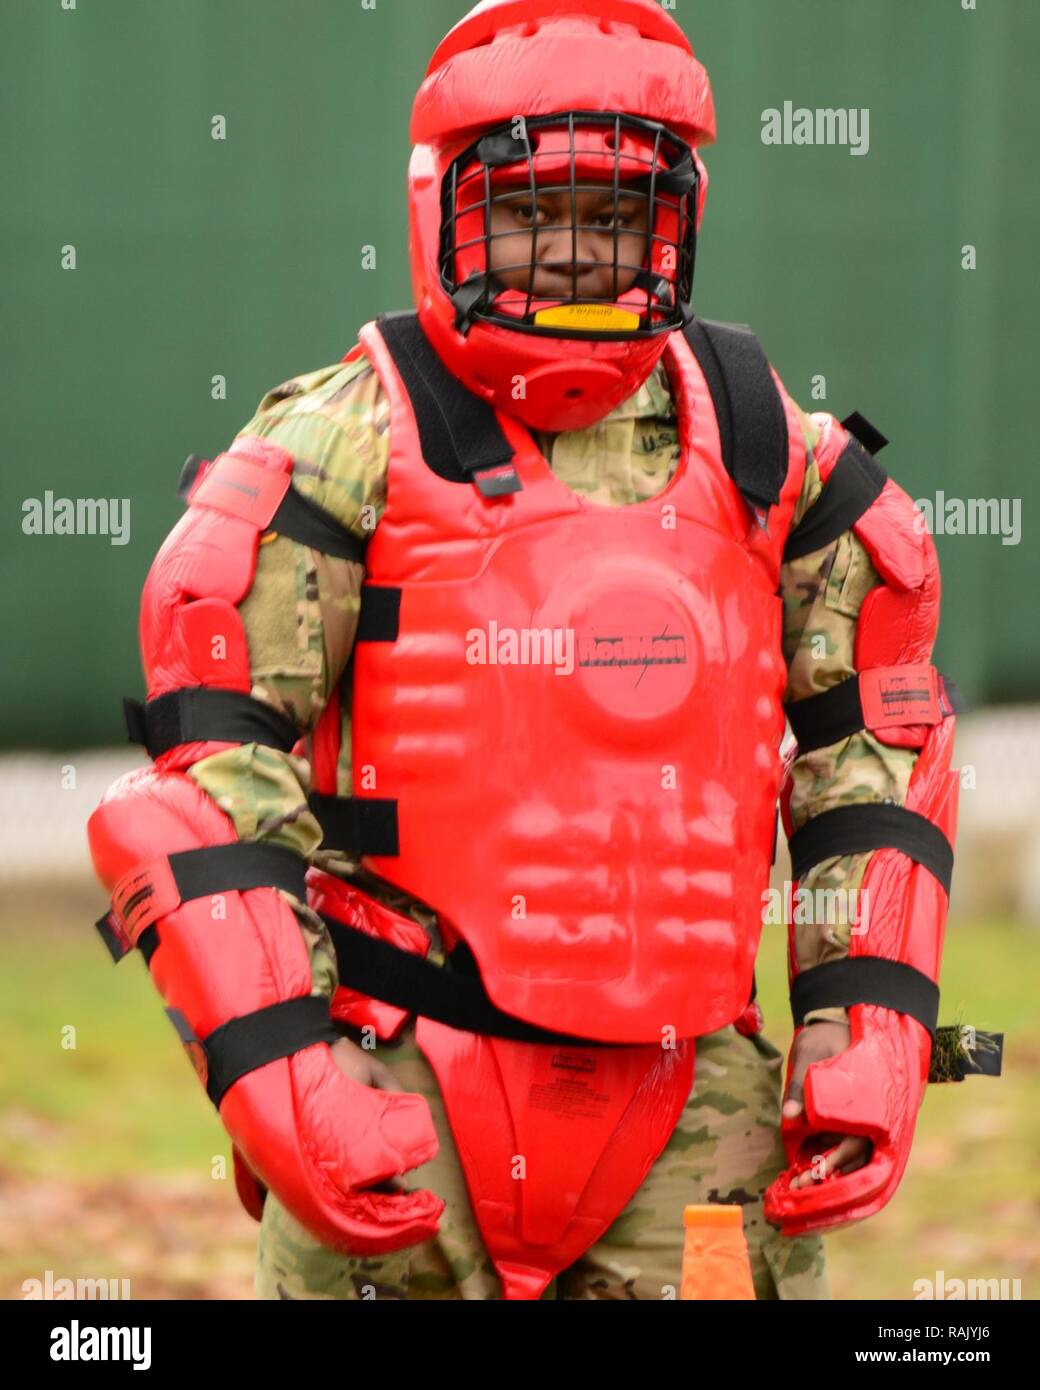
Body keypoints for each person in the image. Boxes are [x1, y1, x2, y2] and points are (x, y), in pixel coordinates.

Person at [88, 0, 965, 1301]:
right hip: (403, 1085)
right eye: (530, 210)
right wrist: (282, 1068)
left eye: (610, 215)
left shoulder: (768, 444)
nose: (569, 251)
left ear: (673, 220)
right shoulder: (349, 438)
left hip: (693, 1116)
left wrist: (869, 1030)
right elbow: (205, 769)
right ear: (447, 206)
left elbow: (877, 743)